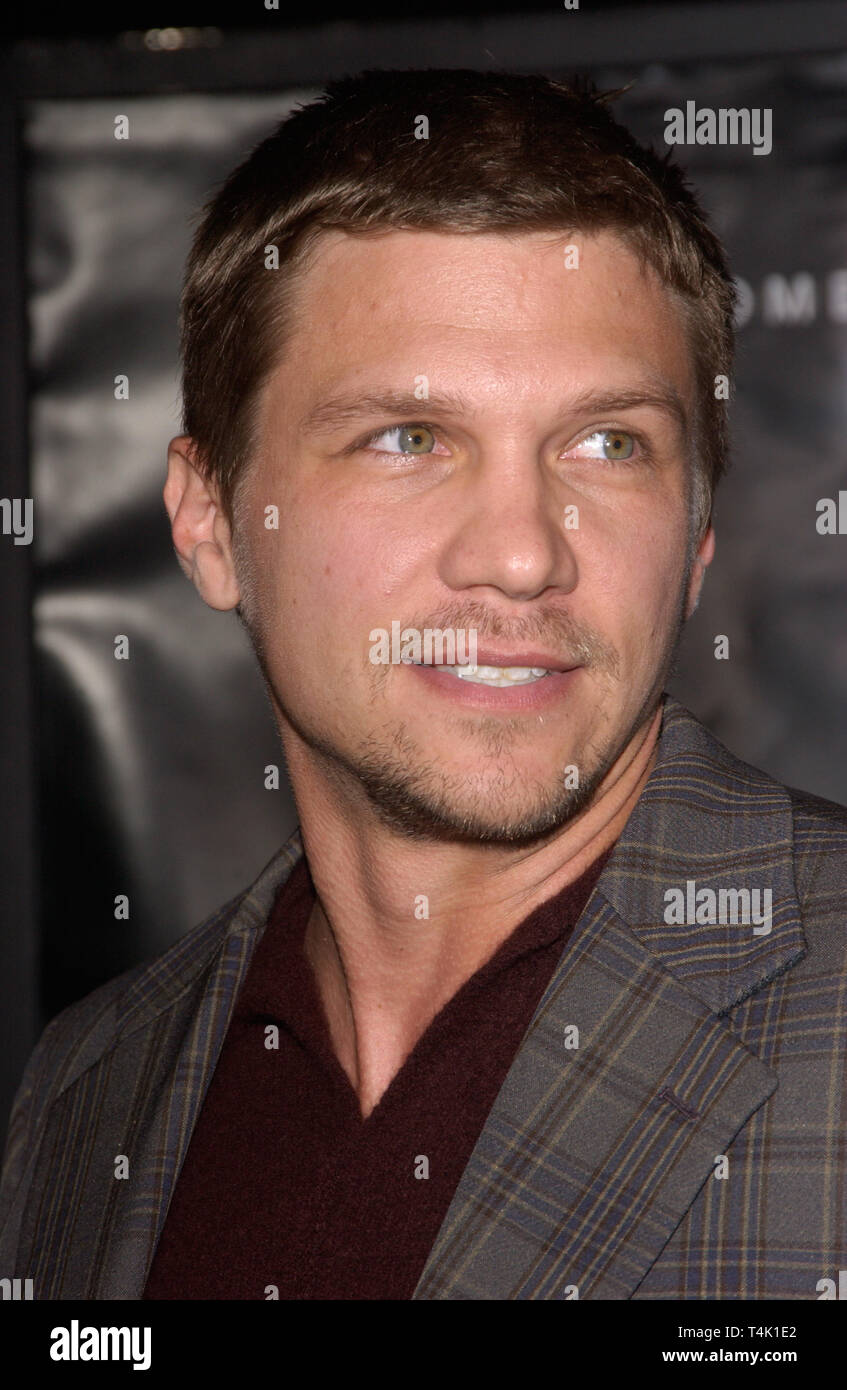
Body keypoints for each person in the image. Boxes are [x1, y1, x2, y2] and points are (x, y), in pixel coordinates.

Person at [1, 67, 845, 1302]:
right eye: (409, 439)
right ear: (211, 521)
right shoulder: (80, 1096)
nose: (522, 551)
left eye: (608, 445)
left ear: (699, 530)